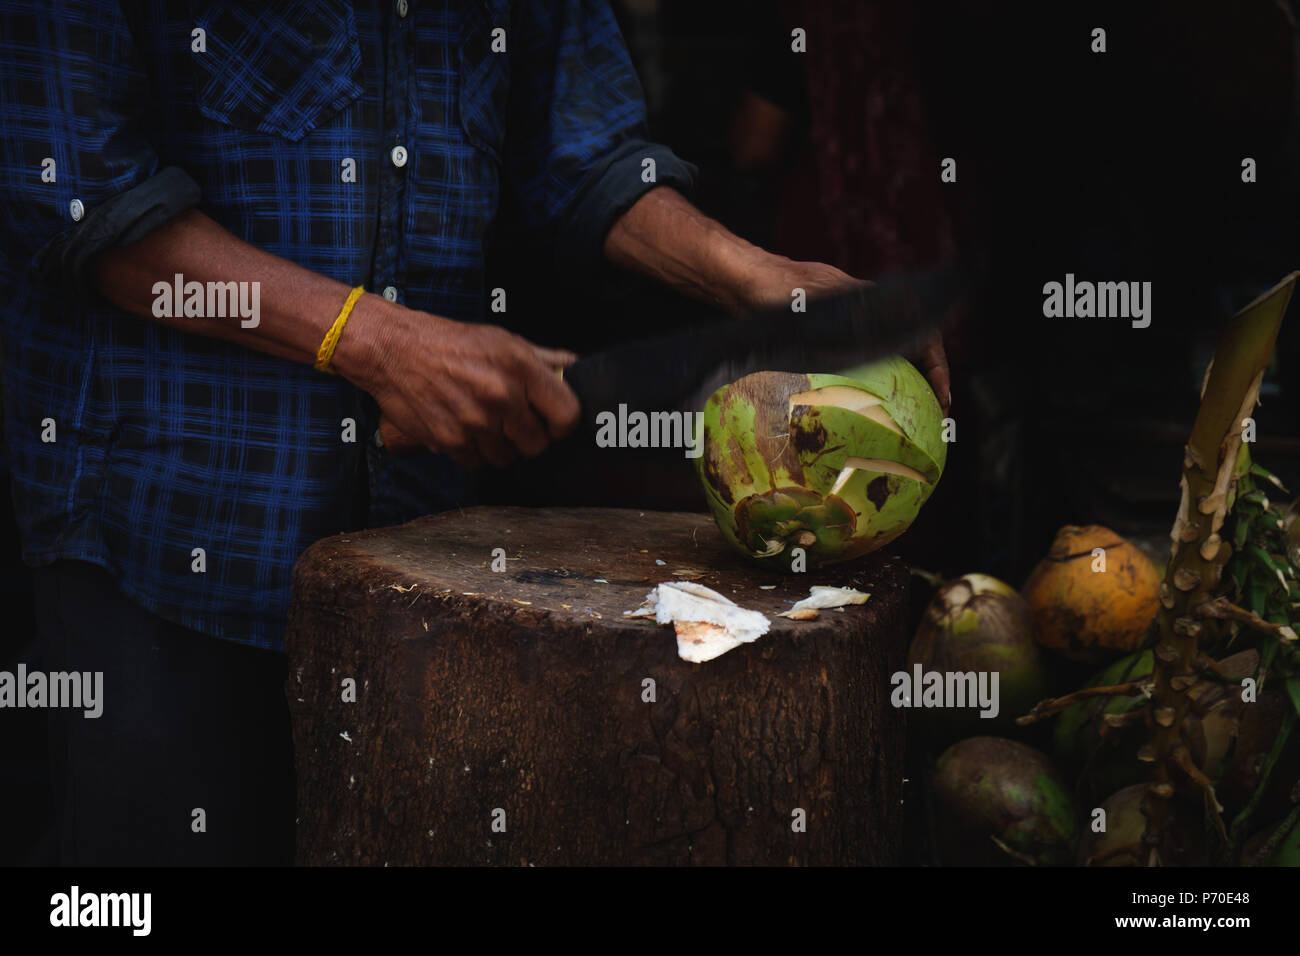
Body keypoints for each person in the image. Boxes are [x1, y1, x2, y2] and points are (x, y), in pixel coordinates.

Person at [0, 0, 949, 865]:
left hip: (414, 545)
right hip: (166, 530)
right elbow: (83, 204)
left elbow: (583, 156)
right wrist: (373, 342)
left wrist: (752, 276)